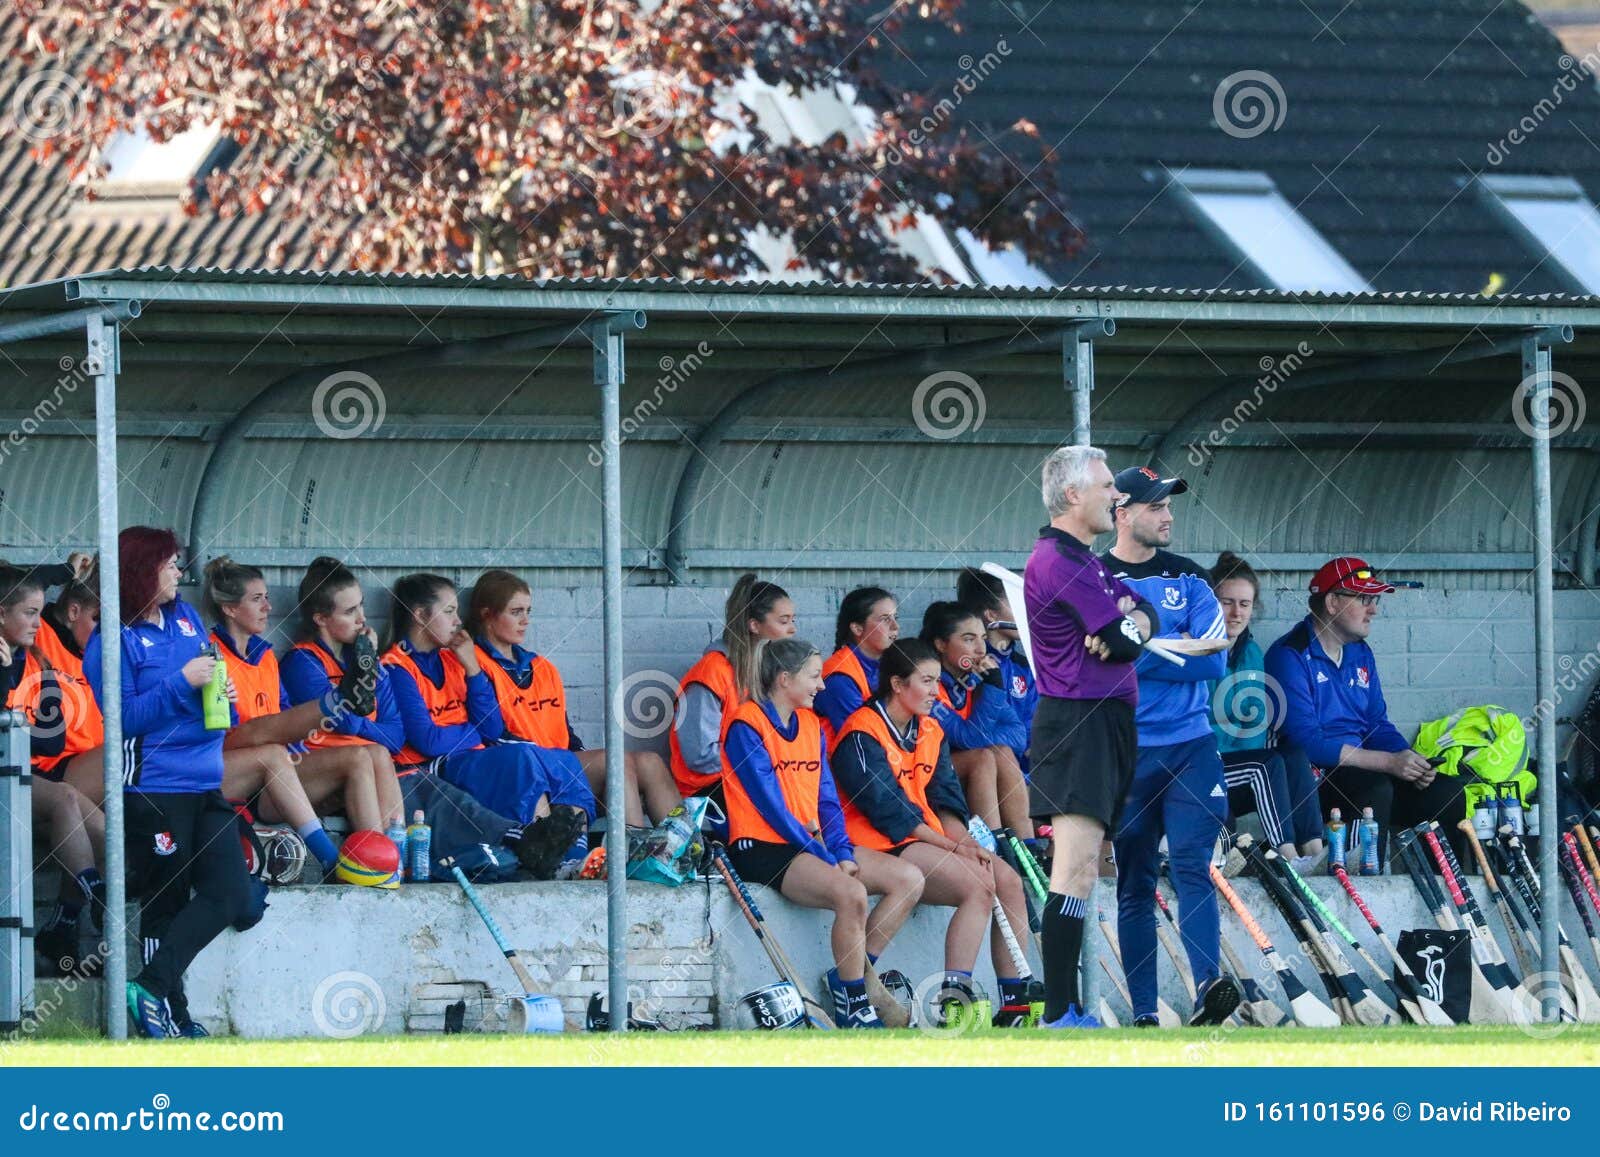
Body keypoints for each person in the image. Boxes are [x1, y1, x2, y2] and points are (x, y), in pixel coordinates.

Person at [280, 558, 568, 879]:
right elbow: (349, 723)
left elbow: (395, 735)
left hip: (380, 768)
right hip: (325, 772)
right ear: (321, 618)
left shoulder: (374, 660)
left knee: (444, 787)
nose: (363, 618)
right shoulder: (304, 662)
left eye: (362, 606)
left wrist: (472, 670)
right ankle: (391, 865)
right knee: (433, 786)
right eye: (350, 612)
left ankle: (523, 846)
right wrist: (373, 728)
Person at [83, 527, 262, 1039]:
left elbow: (210, 680)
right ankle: (171, 1014)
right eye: (169, 565)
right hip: (154, 788)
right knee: (165, 902)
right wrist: (182, 681)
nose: (178, 574)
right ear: (142, 571)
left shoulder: (184, 616)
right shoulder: (109, 640)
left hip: (205, 782)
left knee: (230, 893)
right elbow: (124, 719)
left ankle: (150, 988)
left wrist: (221, 689)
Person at [1024, 446, 1173, 1029]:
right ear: (1072, 496)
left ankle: (1065, 1010)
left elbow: (1144, 616)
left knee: (1085, 870)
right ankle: (1059, 1014)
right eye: (1108, 486)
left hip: (1105, 722)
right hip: (1078, 724)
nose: (1117, 495)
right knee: (1075, 869)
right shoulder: (1057, 561)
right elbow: (1131, 638)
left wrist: (1129, 622)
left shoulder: (1087, 560)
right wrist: (1127, 627)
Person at [829, 639, 1036, 1026]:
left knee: (1005, 879)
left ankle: (1015, 1004)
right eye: (926, 681)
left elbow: (945, 800)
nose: (934, 692)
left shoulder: (930, 729)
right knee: (978, 886)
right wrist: (949, 844)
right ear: (897, 683)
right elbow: (887, 810)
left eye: (937, 681)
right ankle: (950, 1001)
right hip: (878, 841)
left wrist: (967, 843)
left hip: (924, 837)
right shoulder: (862, 730)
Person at [721, 637, 923, 1028]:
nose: (823, 685)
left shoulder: (812, 726)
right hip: (762, 846)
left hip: (808, 845)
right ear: (784, 679)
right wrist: (827, 858)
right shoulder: (747, 724)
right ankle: (855, 1005)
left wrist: (843, 852)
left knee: (909, 879)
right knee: (851, 893)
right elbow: (771, 808)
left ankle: (853, 979)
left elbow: (827, 800)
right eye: (814, 676)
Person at [1100, 465, 1239, 1028]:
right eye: (1156, 506)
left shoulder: (1191, 578)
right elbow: (1095, 667)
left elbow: (1216, 659)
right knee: (1134, 881)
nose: (1168, 516)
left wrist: (1136, 646)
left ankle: (1208, 987)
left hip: (1191, 747)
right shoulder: (1093, 578)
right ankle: (1144, 1014)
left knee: (1191, 863)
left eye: (1169, 506)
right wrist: (1171, 648)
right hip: (1126, 755)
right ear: (1122, 512)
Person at [383, 573, 593, 873]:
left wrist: (471, 666)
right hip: (431, 765)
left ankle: (573, 857)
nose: (458, 620)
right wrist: (473, 732)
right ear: (419, 615)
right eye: (448, 611)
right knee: (520, 757)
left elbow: (492, 728)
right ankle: (545, 854)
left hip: (469, 756)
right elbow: (426, 740)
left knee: (563, 759)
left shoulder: (453, 657)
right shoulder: (396, 666)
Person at [1264, 556, 1465, 867]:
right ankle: (1367, 887)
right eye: (1364, 598)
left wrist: (1409, 761)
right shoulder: (1289, 654)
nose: (1374, 609)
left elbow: (1376, 724)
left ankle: (1445, 891)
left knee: (1447, 793)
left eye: (1374, 599)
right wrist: (1387, 762)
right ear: (1332, 602)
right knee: (1374, 788)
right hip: (1313, 780)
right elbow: (1305, 742)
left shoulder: (1360, 651)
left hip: (1365, 767)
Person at [203, 556, 387, 876]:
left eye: (267, 598)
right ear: (231, 609)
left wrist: (301, 749)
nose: (267, 607)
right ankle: (341, 864)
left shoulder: (265, 656)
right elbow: (220, 734)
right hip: (236, 775)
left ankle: (385, 857)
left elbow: (286, 714)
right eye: (257, 599)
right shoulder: (210, 652)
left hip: (278, 775)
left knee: (373, 752)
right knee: (283, 747)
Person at [467, 569, 682, 827]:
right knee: (615, 761)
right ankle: (628, 858)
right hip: (522, 768)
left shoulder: (542, 666)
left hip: (559, 762)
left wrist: (580, 758)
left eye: (528, 611)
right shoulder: (473, 664)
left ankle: (685, 855)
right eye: (516, 612)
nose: (525, 620)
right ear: (486, 613)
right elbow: (490, 734)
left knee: (650, 762)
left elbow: (565, 730)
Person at [0, 565, 105, 976]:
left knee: (101, 829)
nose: (36, 623)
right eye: (28, 613)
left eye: (39, 613)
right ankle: (96, 897)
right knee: (64, 797)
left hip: (23, 775)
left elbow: (50, 741)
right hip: (9, 777)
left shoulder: (37, 662)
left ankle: (67, 919)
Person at [1208, 552, 1324, 869]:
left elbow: (1255, 723)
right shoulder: (1199, 650)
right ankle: (1285, 857)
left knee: (1293, 754)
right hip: (1201, 769)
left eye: (1244, 604)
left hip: (1241, 767)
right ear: (1209, 603)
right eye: (1226, 602)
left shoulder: (1251, 652)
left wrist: (1248, 749)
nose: (1235, 613)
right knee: (1265, 764)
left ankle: (1314, 851)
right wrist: (1247, 751)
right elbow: (1199, 725)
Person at [668, 573, 795, 806]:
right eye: (784, 621)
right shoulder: (712, 672)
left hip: (747, 775)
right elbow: (699, 756)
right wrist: (762, 756)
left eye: (793, 621)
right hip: (707, 789)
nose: (792, 630)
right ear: (754, 625)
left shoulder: (765, 671)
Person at [918, 601, 1030, 838]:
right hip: (924, 773)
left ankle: (1028, 847)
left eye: (982, 637)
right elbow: (969, 739)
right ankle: (997, 849)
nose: (981, 649)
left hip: (960, 765)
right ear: (940, 644)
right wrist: (993, 688)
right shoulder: (928, 684)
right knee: (983, 757)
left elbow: (1019, 735)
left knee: (1002, 752)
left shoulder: (975, 677)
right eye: (969, 639)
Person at [955, 567, 1037, 777]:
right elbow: (969, 735)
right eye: (1016, 605)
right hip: (982, 771)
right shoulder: (964, 668)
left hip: (1023, 772)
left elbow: (1030, 733)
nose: (1026, 612)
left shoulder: (1025, 668)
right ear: (991, 615)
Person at [813, 585, 899, 742]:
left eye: (895, 618)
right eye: (885, 619)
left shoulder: (888, 664)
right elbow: (864, 740)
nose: (895, 627)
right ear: (857, 628)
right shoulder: (839, 679)